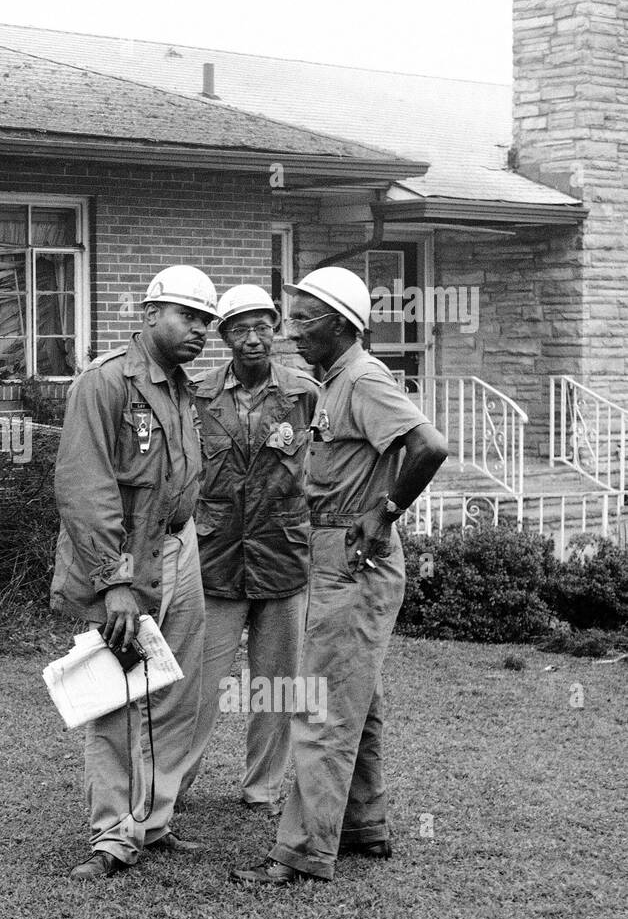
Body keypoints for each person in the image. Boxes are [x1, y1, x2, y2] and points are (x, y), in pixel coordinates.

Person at [232, 265, 448, 886]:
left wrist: (384, 512)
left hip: (355, 554)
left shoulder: (364, 378)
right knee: (359, 696)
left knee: (320, 704)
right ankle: (361, 826)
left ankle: (300, 853)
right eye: (290, 317)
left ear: (341, 325)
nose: (289, 330)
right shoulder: (333, 382)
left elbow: (429, 446)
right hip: (329, 546)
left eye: (303, 319)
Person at [51, 265, 216, 880]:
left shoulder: (181, 388)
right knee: (117, 694)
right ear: (150, 315)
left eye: (207, 320)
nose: (200, 330)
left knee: (177, 688)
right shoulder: (105, 383)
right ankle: (113, 834)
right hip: (124, 557)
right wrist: (115, 581)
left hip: (180, 546)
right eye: (187, 316)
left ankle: (153, 818)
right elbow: (83, 487)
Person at [178, 284, 317, 817]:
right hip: (215, 557)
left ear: (276, 328)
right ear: (224, 335)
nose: (253, 338)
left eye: (262, 326)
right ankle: (175, 781)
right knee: (198, 683)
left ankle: (262, 786)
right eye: (240, 328)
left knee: (277, 684)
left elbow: (322, 471)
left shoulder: (306, 394)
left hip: (283, 552)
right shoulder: (198, 394)